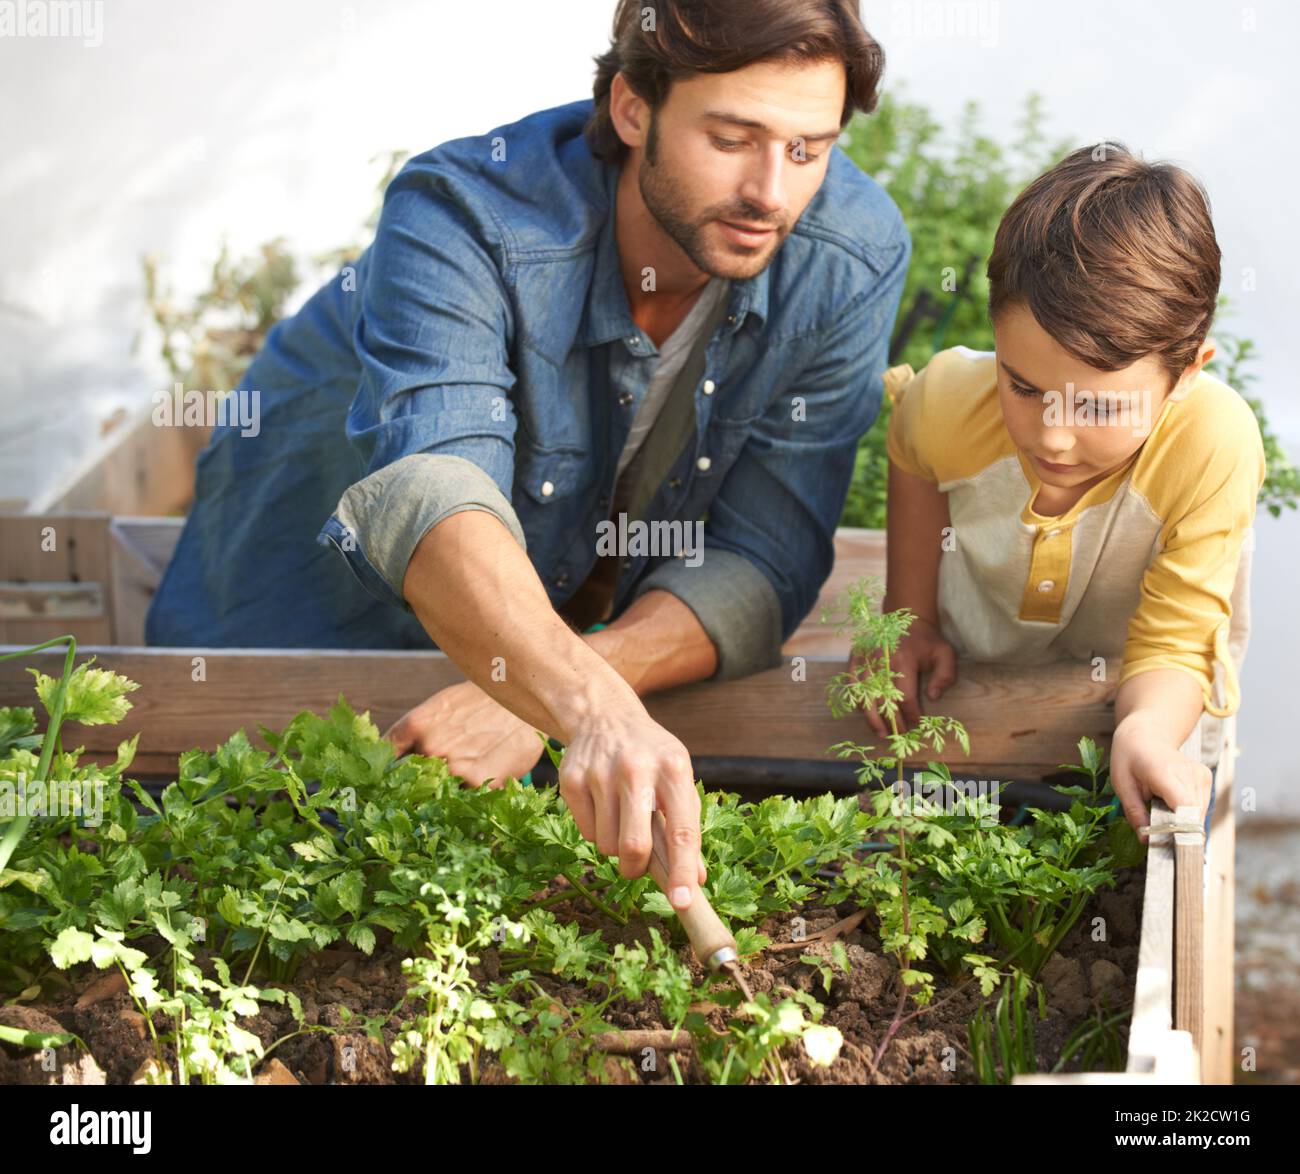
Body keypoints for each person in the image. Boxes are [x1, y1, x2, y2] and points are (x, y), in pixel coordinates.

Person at [146, 0, 911, 910]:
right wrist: (576, 703)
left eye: (807, 150)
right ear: (634, 109)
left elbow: (766, 552)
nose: (771, 193)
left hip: (536, 635)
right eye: (732, 137)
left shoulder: (849, 255)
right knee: (231, 861)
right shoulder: (463, 214)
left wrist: (561, 684)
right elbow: (435, 491)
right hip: (312, 596)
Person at [869, 143, 1264, 836]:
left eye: (1101, 408)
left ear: (1186, 373)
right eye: (1023, 386)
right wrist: (910, 615)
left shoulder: (1212, 443)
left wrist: (1143, 729)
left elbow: (1174, 645)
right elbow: (911, 449)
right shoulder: (947, 404)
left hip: (1140, 682)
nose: (1054, 437)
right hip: (977, 664)